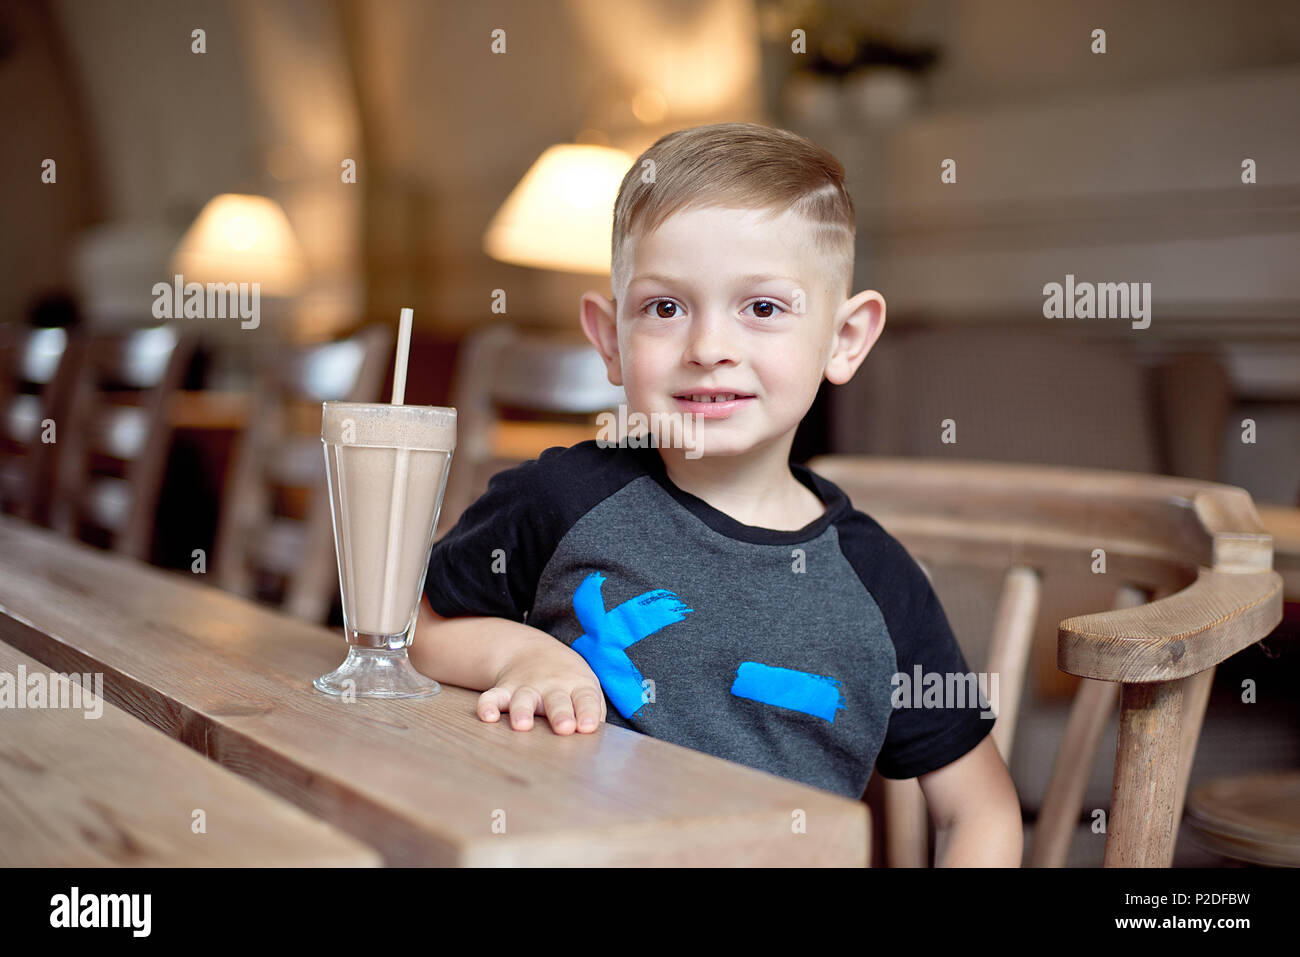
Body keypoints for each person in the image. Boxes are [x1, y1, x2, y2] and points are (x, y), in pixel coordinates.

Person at [411, 122, 1022, 865]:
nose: (708, 347)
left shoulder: (878, 583)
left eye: (762, 308)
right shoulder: (560, 498)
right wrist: (521, 656)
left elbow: (981, 810)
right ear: (609, 339)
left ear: (845, 338)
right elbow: (408, 627)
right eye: (665, 308)